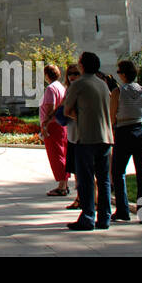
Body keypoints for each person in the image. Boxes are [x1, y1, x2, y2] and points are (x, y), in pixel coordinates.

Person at [62, 51, 113, 230]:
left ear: (82, 65)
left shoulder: (79, 84)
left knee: (86, 179)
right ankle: (105, 217)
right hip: (105, 137)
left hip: (87, 137)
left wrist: (80, 117)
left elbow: (66, 110)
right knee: (104, 179)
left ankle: (88, 217)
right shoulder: (103, 84)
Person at [110, 58, 142, 222]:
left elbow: (112, 115)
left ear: (124, 74)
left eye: (119, 72)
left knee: (118, 172)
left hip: (124, 131)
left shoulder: (118, 92)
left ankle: (122, 210)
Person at [38, 64, 68, 196]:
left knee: (56, 155)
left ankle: (62, 185)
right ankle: (64, 183)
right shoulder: (61, 87)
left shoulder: (50, 89)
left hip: (52, 125)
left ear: (46, 75)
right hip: (61, 125)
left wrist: (44, 125)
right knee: (62, 153)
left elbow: (50, 107)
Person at [59, 62, 82, 210]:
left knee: (83, 170)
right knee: (77, 170)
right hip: (72, 133)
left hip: (81, 133)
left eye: (76, 73)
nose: (72, 76)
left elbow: (66, 109)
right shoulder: (69, 89)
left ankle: (84, 198)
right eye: (70, 74)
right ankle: (80, 197)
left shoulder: (78, 89)